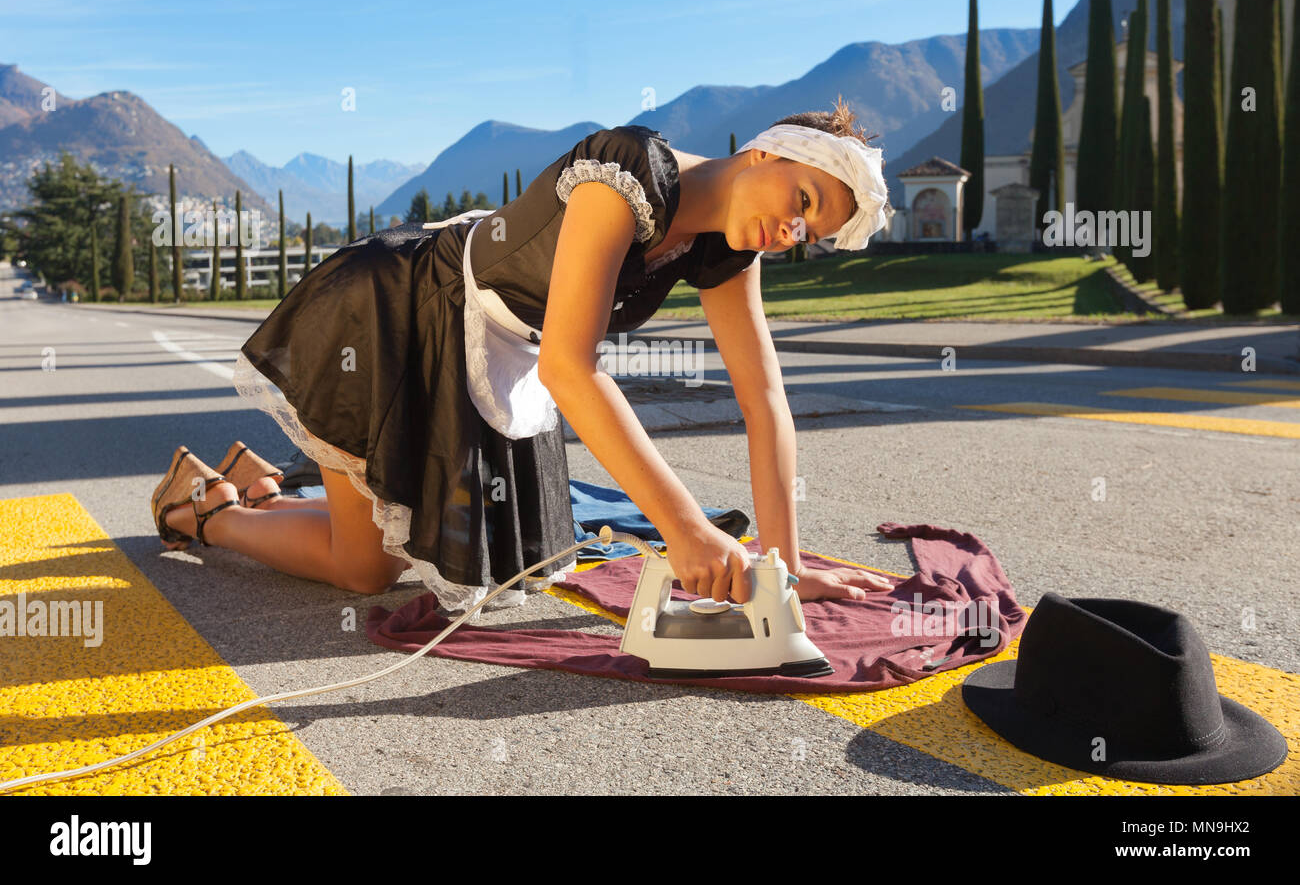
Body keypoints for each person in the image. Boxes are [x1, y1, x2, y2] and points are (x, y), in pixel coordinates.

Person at [151, 95, 895, 613]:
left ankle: (260, 489)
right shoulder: (628, 170)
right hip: (401, 307)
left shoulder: (728, 249)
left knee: (451, 565)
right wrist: (685, 528)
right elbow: (571, 368)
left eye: (812, 233)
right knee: (364, 573)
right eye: (801, 202)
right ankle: (204, 508)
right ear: (765, 153)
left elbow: (763, 401)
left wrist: (787, 570)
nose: (793, 232)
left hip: (499, 349)